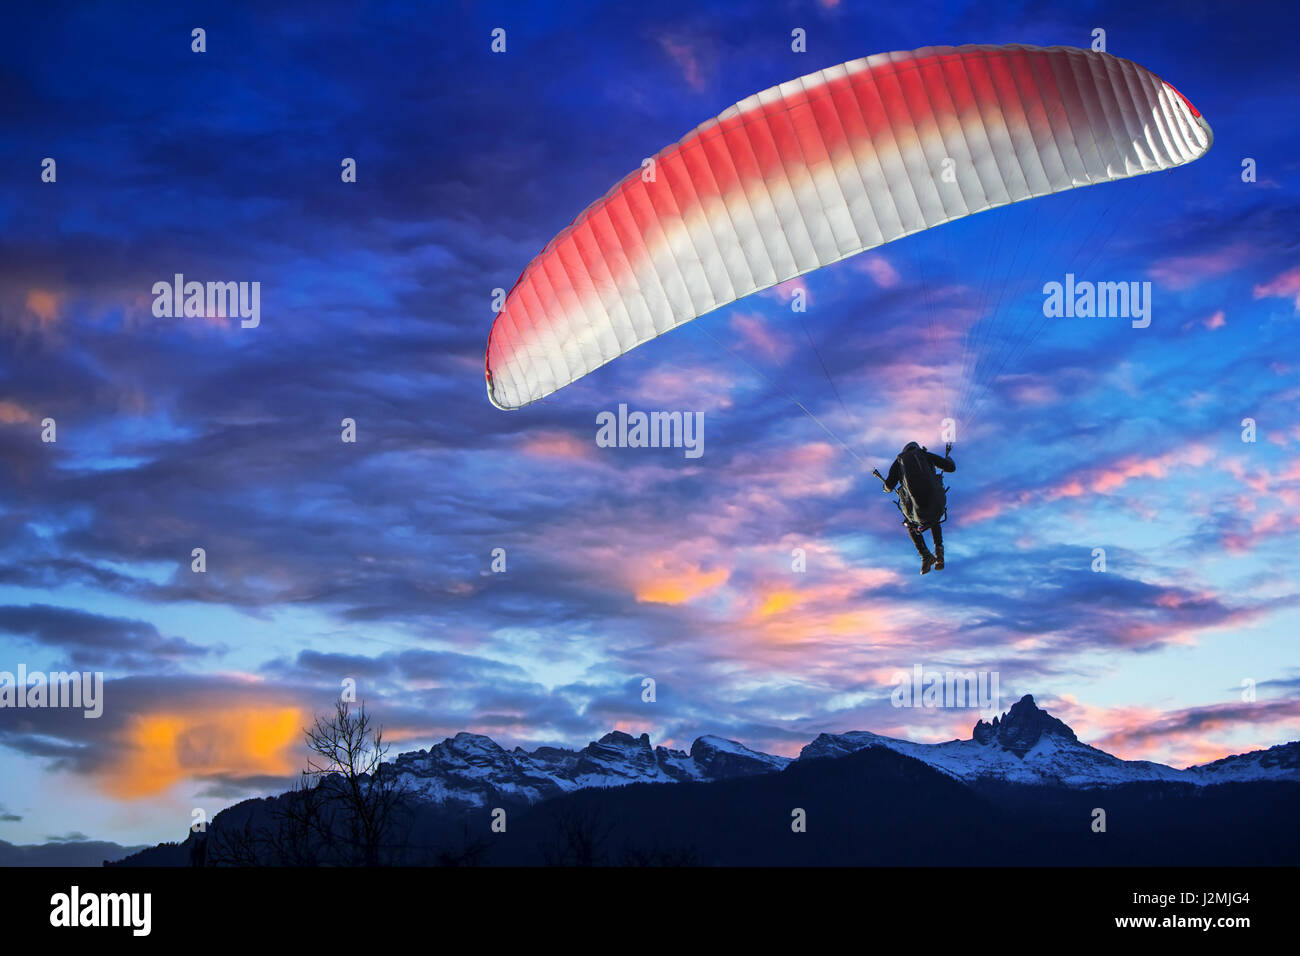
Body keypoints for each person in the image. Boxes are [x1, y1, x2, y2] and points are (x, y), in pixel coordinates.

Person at [878, 442, 956, 575]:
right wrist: (948, 458)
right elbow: (951, 467)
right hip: (936, 505)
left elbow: (889, 486)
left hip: (916, 512)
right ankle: (939, 551)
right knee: (935, 514)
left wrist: (884, 488)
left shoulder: (899, 461)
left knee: (910, 523)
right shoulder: (926, 455)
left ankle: (925, 555)